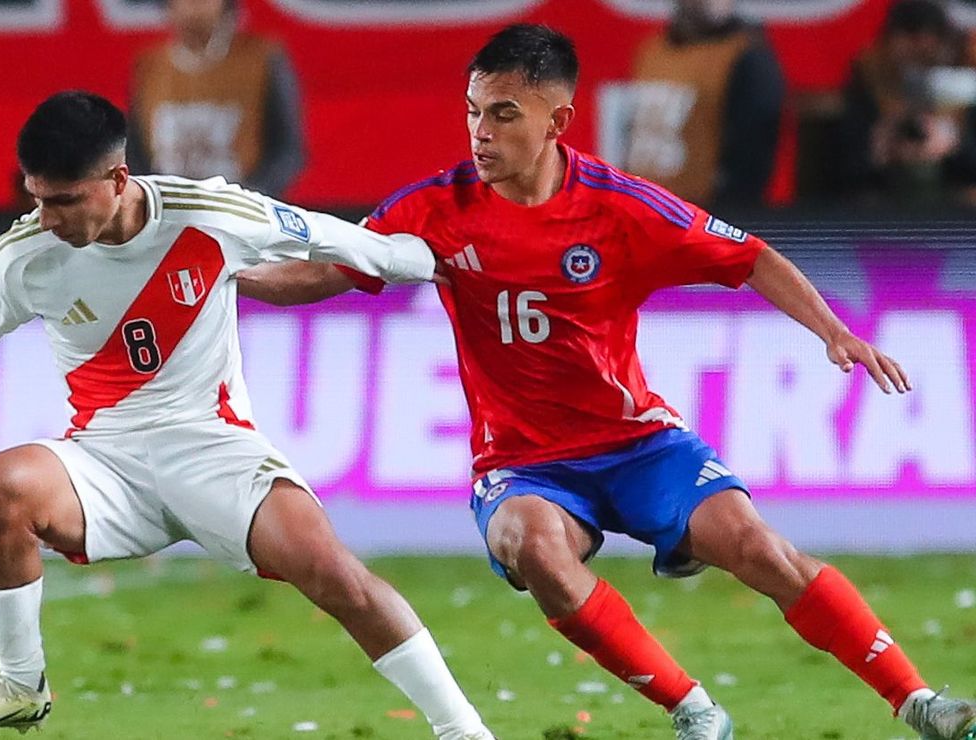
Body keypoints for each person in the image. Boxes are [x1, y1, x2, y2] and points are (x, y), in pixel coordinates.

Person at [236, 24, 976, 740]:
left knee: (758, 547)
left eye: (503, 114)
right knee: (536, 547)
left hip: (638, 444)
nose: (480, 133)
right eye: (472, 112)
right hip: (523, 463)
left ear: (557, 121)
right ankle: (693, 710)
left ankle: (918, 703)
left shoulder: (621, 206)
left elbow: (750, 257)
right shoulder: (431, 209)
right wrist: (230, 273)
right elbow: (320, 274)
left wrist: (835, 331)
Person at [0, 91, 494, 740]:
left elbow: (325, 236)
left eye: (66, 201)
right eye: (38, 199)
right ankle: (21, 685)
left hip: (215, 449)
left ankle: (462, 730)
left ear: (119, 180)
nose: (49, 218)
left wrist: (412, 260)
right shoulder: (25, 257)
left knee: (334, 574)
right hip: (104, 459)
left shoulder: (207, 213)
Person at [127, 0, 304, 197]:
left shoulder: (262, 58)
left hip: (239, 206)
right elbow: (136, 152)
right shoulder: (150, 66)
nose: (193, 5)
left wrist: (248, 199)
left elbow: (287, 151)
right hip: (169, 206)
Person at [624, 0, 784, 208]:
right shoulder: (652, 51)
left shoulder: (747, 58)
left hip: (699, 211)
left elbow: (749, 160)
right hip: (643, 204)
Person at [838, 0, 976, 207]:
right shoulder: (869, 78)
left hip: (954, 194)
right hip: (882, 197)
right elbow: (849, 165)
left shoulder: (963, 82)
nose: (919, 57)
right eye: (910, 46)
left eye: (927, 55)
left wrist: (954, 144)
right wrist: (883, 146)